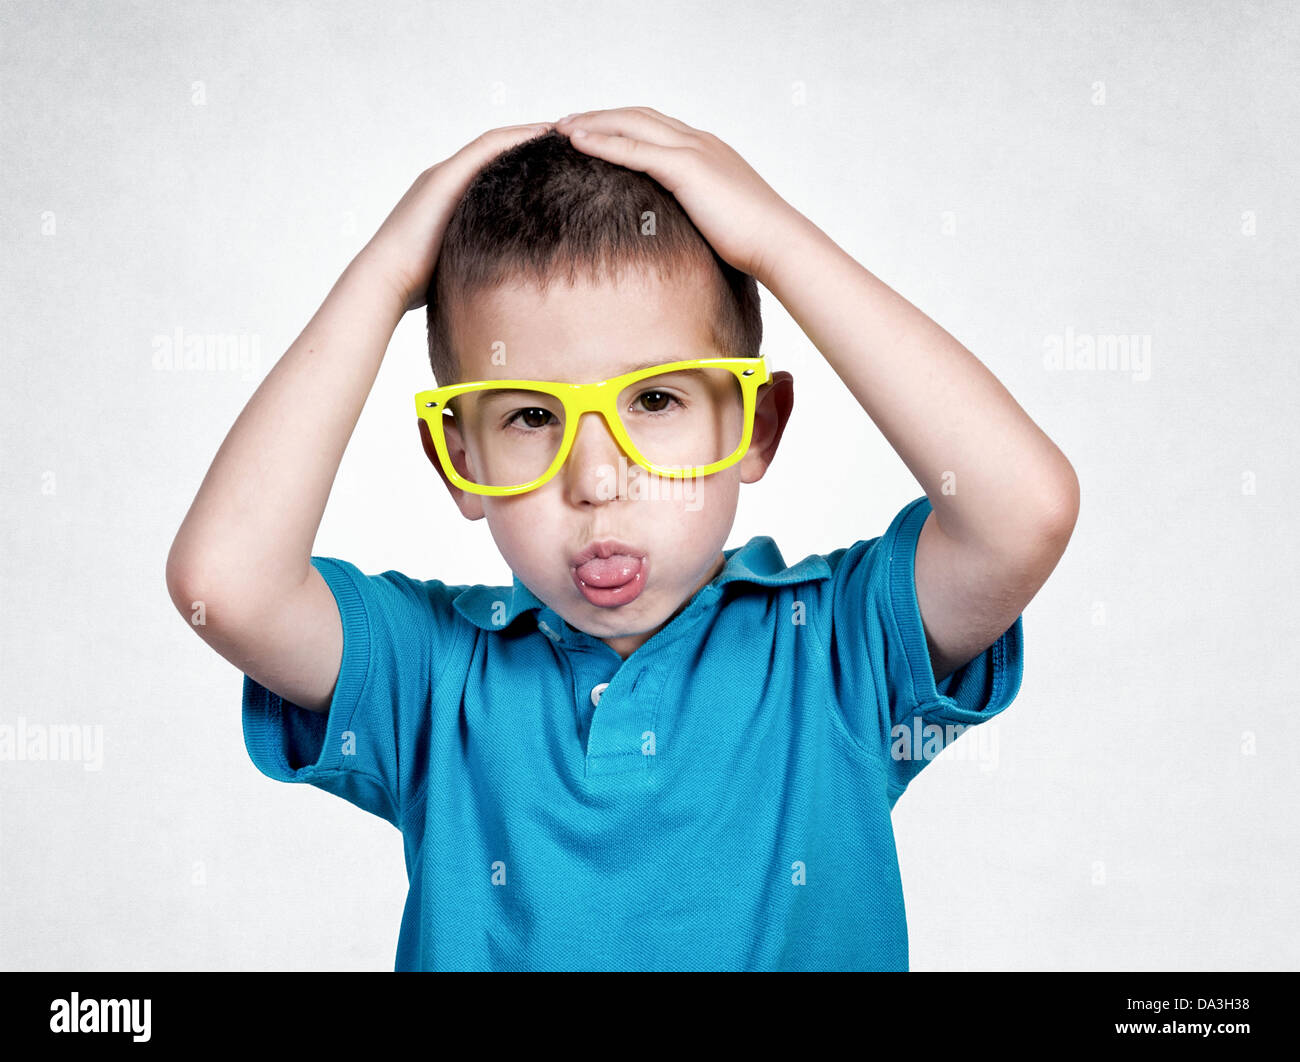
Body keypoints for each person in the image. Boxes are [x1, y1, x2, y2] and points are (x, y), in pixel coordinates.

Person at [166, 108, 1079, 971]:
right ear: (457, 462)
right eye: (528, 415)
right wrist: (382, 274)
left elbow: (1022, 510)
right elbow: (227, 583)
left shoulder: (839, 652)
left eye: (655, 400)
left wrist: (777, 240)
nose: (597, 480)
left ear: (757, 426)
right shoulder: (436, 675)